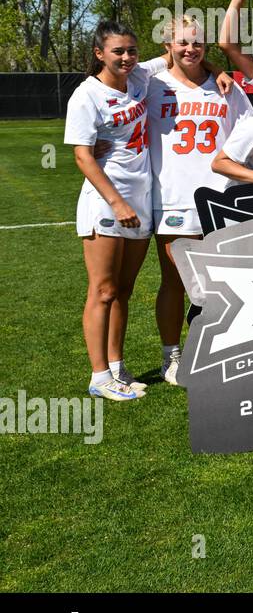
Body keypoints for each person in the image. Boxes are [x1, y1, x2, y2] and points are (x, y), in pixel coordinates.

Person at [146, 15, 253, 384]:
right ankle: (171, 356)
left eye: (197, 43)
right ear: (167, 47)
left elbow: (249, 136)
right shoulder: (151, 84)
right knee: (175, 281)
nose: (190, 49)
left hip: (220, 198)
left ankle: (218, 349)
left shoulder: (227, 88)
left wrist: (215, 69)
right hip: (173, 198)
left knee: (223, 281)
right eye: (182, 43)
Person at [65, 21, 156, 401]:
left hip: (141, 198)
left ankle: (117, 367)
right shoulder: (87, 95)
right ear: (99, 53)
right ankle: (99, 376)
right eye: (117, 51)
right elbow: (83, 156)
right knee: (103, 290)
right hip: (107, 201)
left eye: (131, 50)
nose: (126, 57)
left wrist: (218, 73)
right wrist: (117, 202)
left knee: (124, 290)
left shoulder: (139, 80)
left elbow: (178, 54)